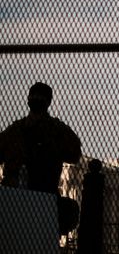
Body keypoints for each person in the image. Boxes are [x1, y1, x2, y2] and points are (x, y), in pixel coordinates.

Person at [0, 82, 83, 235]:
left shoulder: (15, 130)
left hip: (13, 200)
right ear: (49, 102)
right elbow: (75, 154)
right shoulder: (57, 130)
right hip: (43, 196)